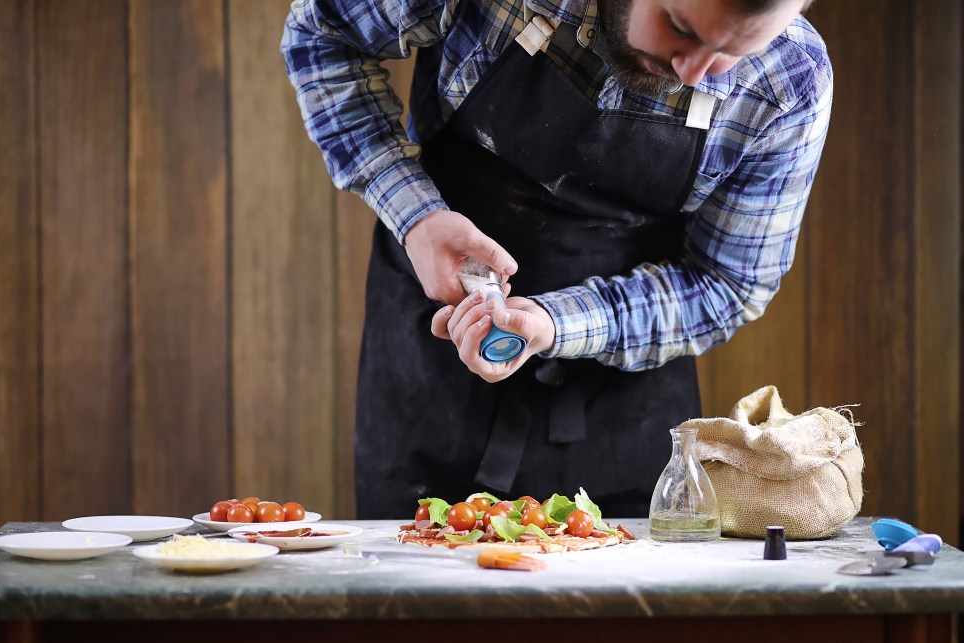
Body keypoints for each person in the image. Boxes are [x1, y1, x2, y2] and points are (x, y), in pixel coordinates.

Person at [281, 0, 832, 519]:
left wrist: (553, 323)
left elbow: (726, 284)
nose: (693, 72)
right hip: (432, 353)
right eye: (680, 27)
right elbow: (322, 34)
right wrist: (415, 215)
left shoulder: (789, 82)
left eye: (733, 53)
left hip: (620, 400)